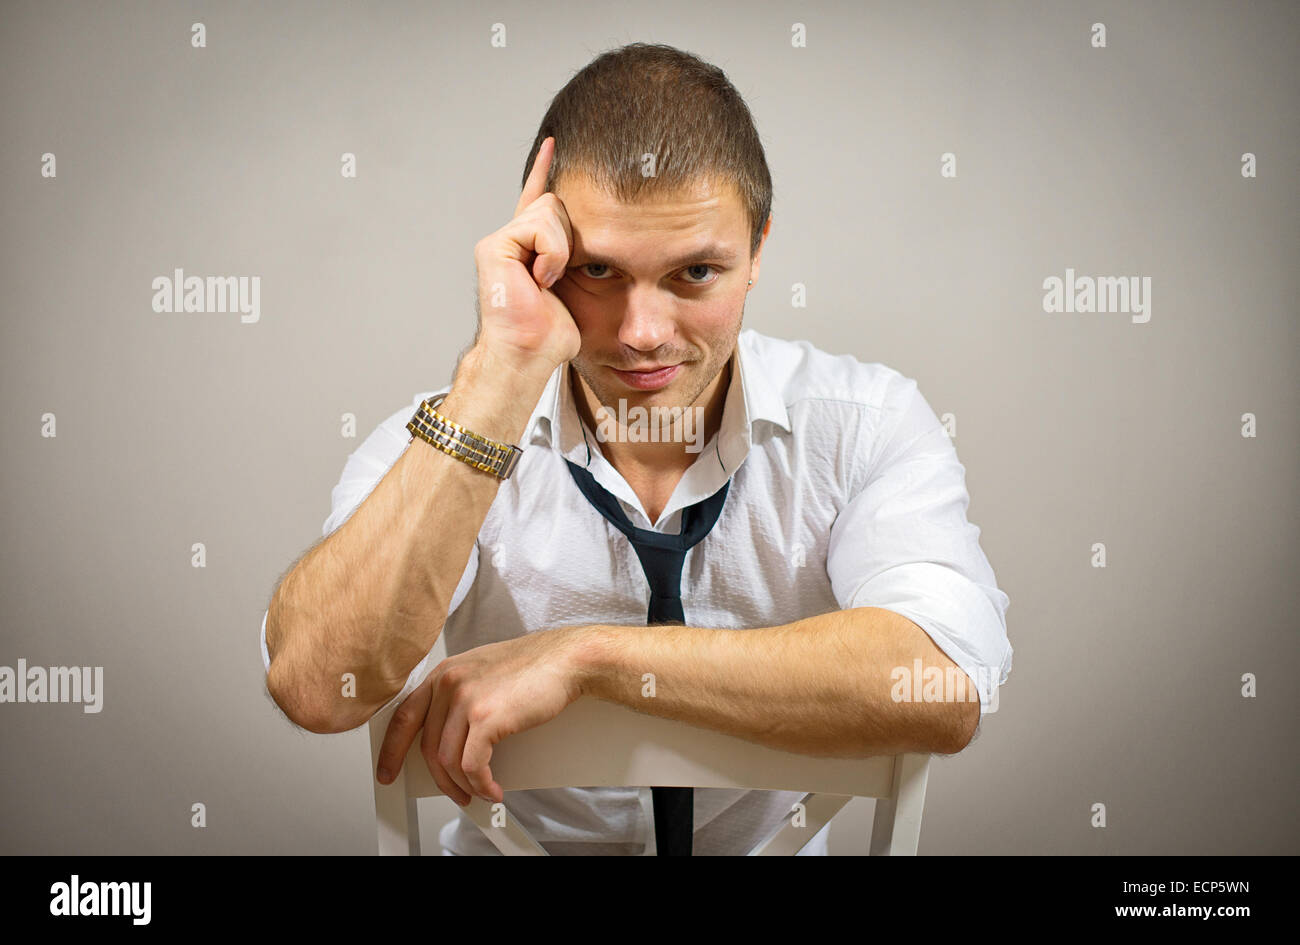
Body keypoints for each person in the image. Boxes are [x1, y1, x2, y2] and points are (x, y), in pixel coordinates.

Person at [260, 42, 1012, 856]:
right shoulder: (451, 432)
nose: (643, 334)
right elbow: (316, 685)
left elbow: (942, 683)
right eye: (597, 270)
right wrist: (500, 371)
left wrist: (591, 655)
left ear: (759, 250)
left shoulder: (863, 423)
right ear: (540, 261)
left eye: (695, 271)